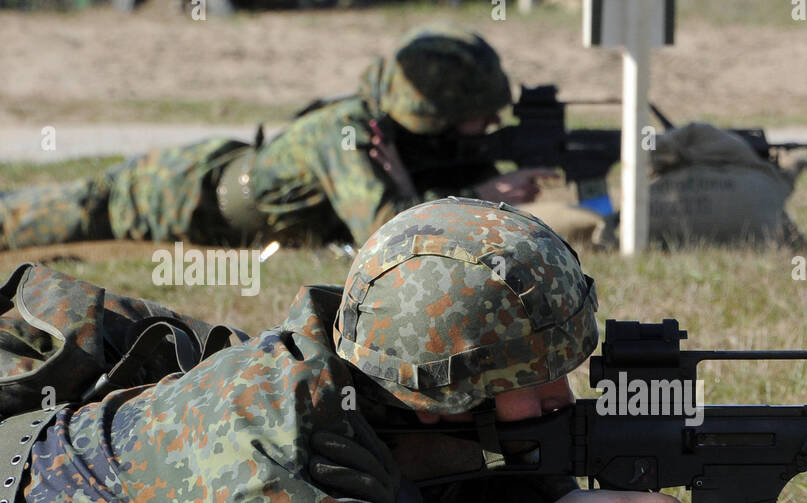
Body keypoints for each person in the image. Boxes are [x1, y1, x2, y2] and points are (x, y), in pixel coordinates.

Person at [0, 197, 686, 503]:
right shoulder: (262, 436)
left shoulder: (383, 409)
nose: (560, 397)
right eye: (531, 379)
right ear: (439, 385)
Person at [0, 26, 552, 251]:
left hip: (223, 175)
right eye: (477, 116)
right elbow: (386, 237)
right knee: (70, 211)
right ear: (435, 111)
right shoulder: (345, 134)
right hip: (176, 196)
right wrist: (484, 192)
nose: (487, 127)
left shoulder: (399, 135)